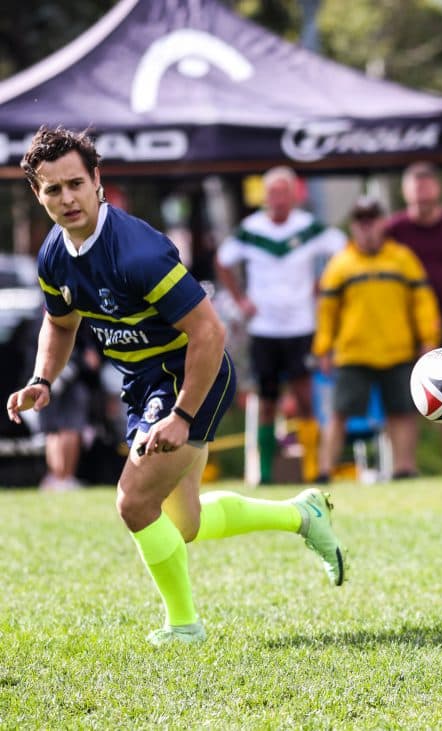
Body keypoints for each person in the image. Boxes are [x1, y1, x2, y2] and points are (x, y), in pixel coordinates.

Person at [7, 127, 346, 647]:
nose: (67, 198)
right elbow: (60, 321)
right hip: (145, 384)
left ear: (98, 180)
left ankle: (184, 625)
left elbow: (210, 332)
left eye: (76, 183)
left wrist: (182, 414)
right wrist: (40, 378)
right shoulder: (54, 253)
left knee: (133, 502)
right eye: (53, 190)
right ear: (37, 193)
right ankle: (303, 514)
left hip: (189, 376)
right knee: (183, 524)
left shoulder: (136, 251)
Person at [215, 166, 346, 485]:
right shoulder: (252, 229)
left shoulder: (309, 228)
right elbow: (223, 260)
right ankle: (266, 473)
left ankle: (316, 470)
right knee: (267, 401)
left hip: (301, 326)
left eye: (283, 192)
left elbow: (341, 250)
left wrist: (321, 286)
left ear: (293, 195)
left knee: (304, 397)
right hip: (264, 329)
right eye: (272, 193)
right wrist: (240, 299)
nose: (277, 199)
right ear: (265, 196)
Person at [314, 196, 441, 482]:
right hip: (353, 352)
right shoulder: (340, 263)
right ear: (353, 226)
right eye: (361, 221)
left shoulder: (402, 258)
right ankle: (324, 471)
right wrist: (323, 348)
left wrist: (428, 339)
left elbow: (423, 301)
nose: (367, 227)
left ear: (383, 222)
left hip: (397, 350)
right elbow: (327, 311)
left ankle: (404, 468)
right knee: (339, 412)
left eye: (372, 220)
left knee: (402, 411)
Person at [384, 162, 442, 477]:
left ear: (437, 190)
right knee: (405, 395)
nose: (421, 196)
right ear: (406, 193)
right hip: (405, 324)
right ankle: (405, 465)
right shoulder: (395, 229)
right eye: (415, 190)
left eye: (426, 188)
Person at [37, 327, 101, 491]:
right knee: (69, 428)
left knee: (56, 430)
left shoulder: (44, 307)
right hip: (67, 374)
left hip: (47, 376)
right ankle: (64, 477)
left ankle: (58, 477)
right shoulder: (70, 307)